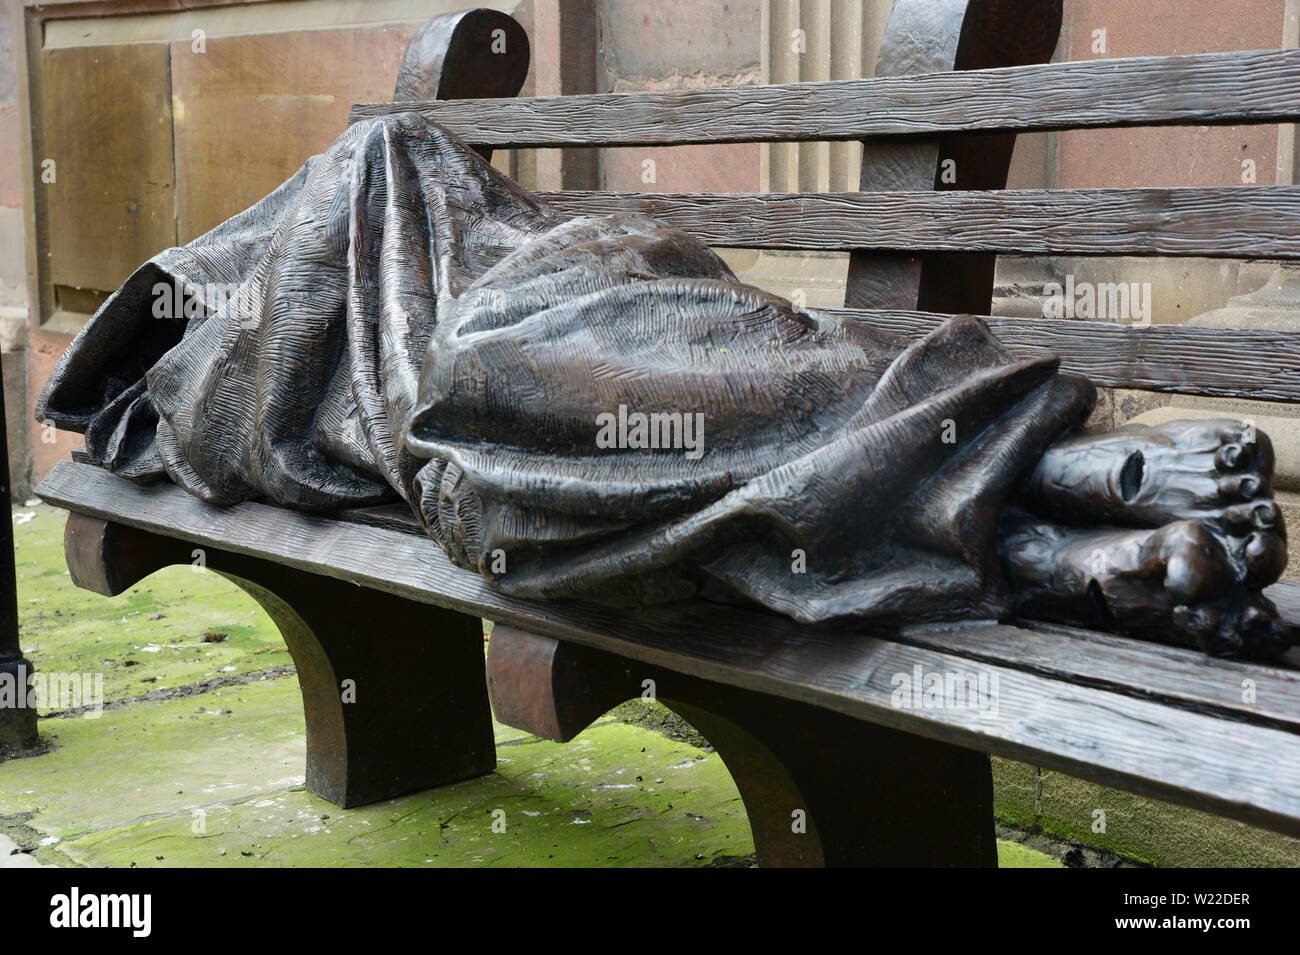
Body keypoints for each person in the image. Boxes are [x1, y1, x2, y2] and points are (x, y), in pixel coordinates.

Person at [37, 114, 1290, 659]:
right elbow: (200, 403)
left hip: (565, 288)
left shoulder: (346, 198)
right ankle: (1040, 534)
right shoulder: (207, 399)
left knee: (582, 359)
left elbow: (394, 177)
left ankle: (1035, 492)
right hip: (469, 408)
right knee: (516, 456)